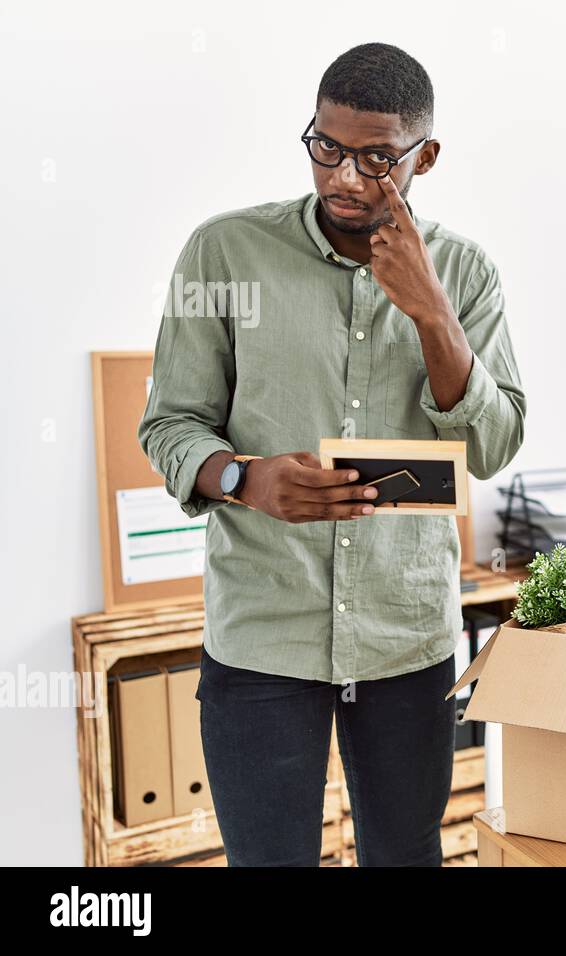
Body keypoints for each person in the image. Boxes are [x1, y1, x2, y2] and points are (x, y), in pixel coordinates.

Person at [138, 42, 525, 866]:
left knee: (404, 856)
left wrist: (432, 312)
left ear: (425, 155)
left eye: (377, 158)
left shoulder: (466, 273)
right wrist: (243, 478)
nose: (345, 178)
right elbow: (170, 425)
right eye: (327, 147)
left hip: (407, 635)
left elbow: (491, 446)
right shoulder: (225, 255)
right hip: (262, 636)